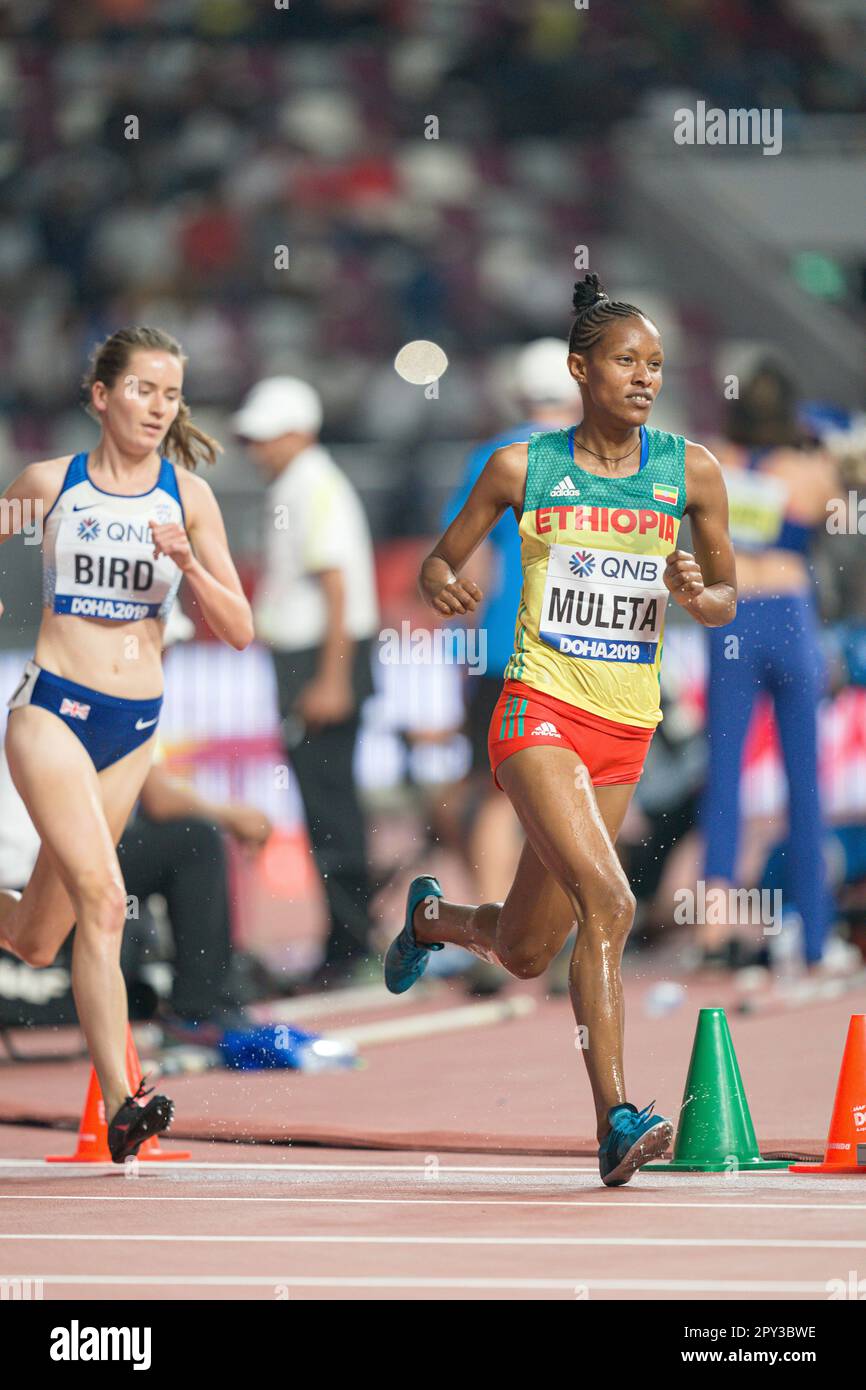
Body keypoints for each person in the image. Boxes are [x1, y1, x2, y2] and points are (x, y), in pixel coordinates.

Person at [385, 273, 737, 1186]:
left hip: (627, 728)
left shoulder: (690, 470)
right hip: (537, 709)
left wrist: (703, 594)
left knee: (529, 951)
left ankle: (431, 919)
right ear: (582, 369)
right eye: (626, 361)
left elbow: (726, 595)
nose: (645, 378)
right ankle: (617, 1118)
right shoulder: (521, 468)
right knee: (611, 905)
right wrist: (442, 585)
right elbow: (437, 561)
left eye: (657, 365)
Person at [0, 325, 254, 1161]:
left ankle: (120, 1097)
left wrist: (193, 564)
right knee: (107, 903)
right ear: (102, 395)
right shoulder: (50, 483)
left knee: (39, 936)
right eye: (142, 389)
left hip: (133, 729)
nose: (158, 406)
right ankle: (124, 1101)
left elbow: (240, 627)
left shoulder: (188, 498)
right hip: (52, 714)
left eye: (171, 394)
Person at [441, 341, 582, 993]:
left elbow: (460, 564)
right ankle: (562, 932)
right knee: (568, 797)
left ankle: (498, 933)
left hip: (505, 649)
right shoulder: (596, 458)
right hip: (580, 653)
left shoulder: (495, 457)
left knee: (496, 795)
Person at [233, 376, 380, 988]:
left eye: (266, 438)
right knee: (326, 806)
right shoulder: (302, 482)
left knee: (330, 810)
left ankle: (350, 945)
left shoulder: (312, 484)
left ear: (299, 433)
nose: (255, 449)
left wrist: (332, 678)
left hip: (321, 659)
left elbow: (336, 584)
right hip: (316, 658)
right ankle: (347, 940)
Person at [698, 359, 839, 972]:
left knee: (723, 774)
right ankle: (814, 937)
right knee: (804, 781)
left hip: (730, 614)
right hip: (787, 614)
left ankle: (712, 931)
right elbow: (831, 509)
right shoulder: (809, 468)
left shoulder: (712, 463)